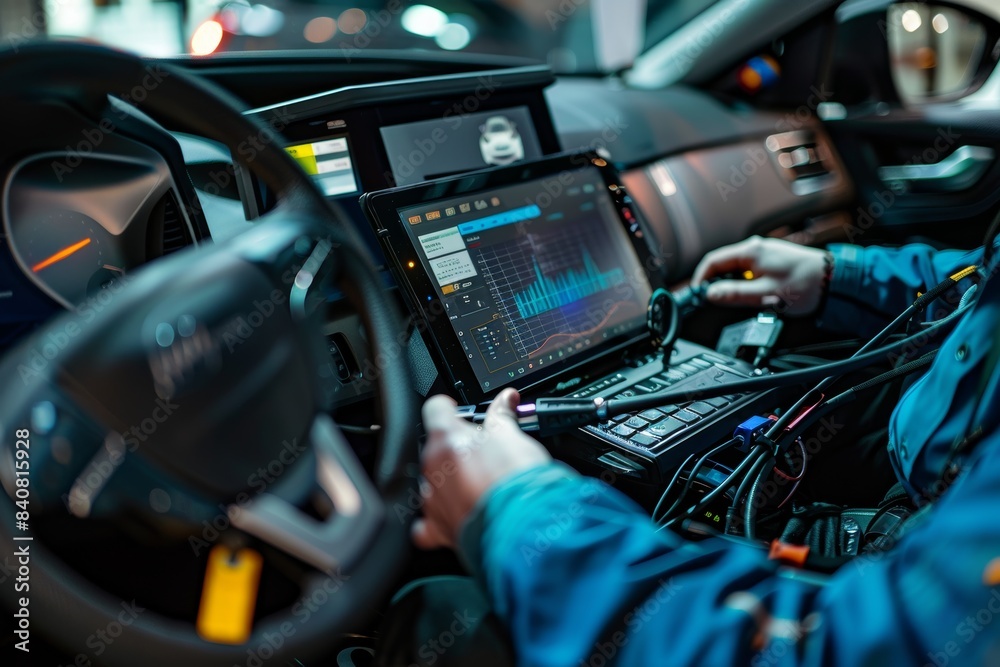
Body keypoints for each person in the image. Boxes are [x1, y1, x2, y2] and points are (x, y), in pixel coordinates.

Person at [383, 235, 1000, 666]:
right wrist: (845, 278)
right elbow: (983, 278)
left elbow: (831, 652)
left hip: (917, 530)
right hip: (935, 463)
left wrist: (523, 515)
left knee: (434, 612)